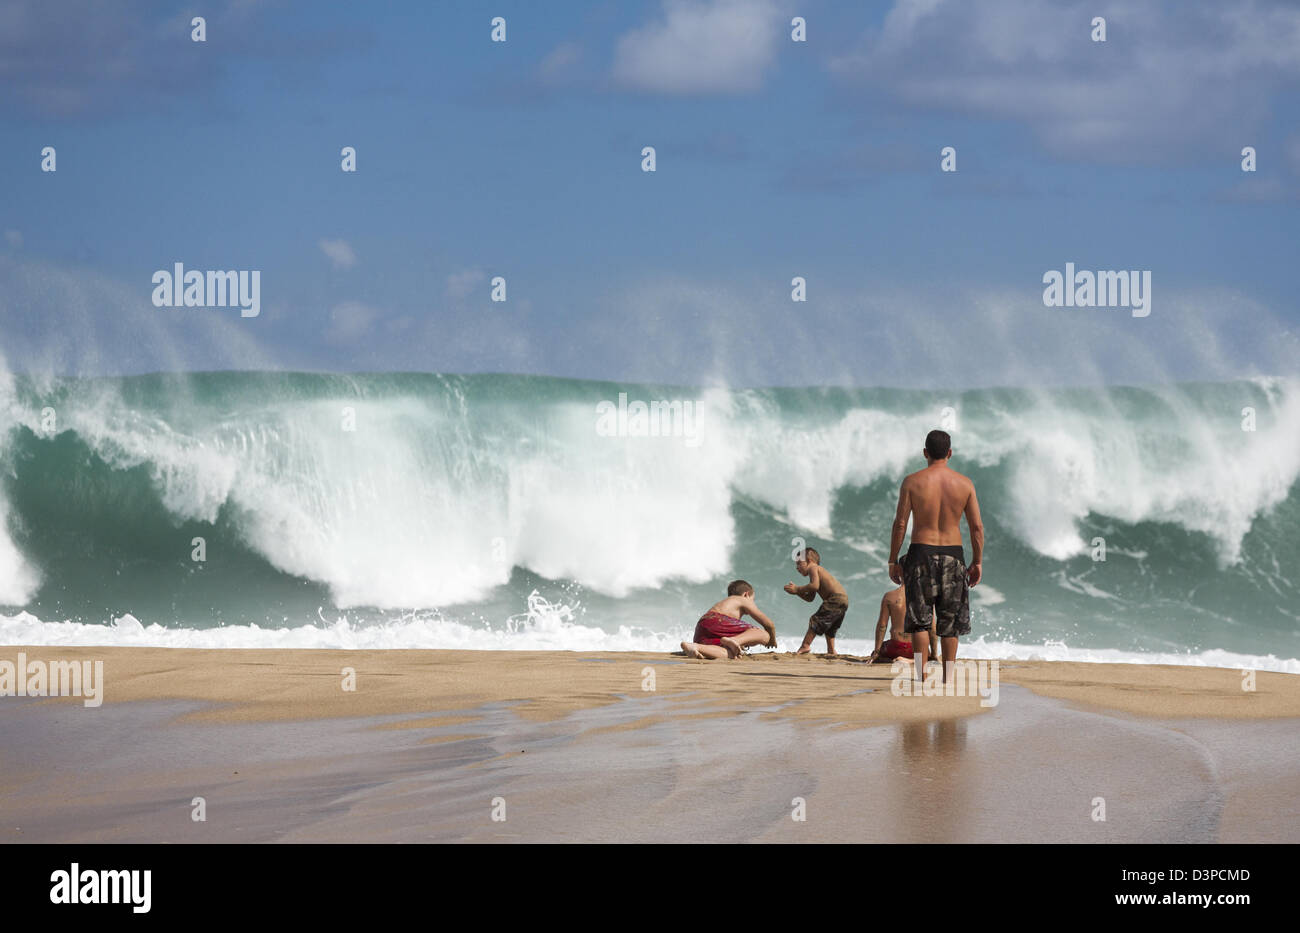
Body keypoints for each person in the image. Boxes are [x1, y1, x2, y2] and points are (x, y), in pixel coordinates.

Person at [888, 429, 984, 684]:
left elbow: (900, 523)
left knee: (920, 620)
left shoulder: (912, 482)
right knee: (949, 622)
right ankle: (947, 677)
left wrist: (893, 559)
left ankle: (920, 675)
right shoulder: (965, 484)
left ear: (925, 453)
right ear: (950, 453)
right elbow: (976, 528)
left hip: (921, 553)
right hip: (954, 556)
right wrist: (977, 561)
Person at [681, 580, 778, 660]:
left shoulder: (727, 604)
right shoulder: (742, 600)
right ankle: (734, 640)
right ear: (746, 595)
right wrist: (772, 640)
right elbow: (769, 624)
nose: (752, 603)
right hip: (717, 619)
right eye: (752, 599)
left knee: (731, 654)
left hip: (702, 626)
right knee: (763, 634)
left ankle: (695, 647)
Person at [784, 547, 849, 656]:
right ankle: (831, 650)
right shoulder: (815, 573)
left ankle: (805, 645)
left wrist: (797, 588)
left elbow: (814, 586)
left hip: (834, 598)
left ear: (809, 561)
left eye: (799, 563)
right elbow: (810, 598)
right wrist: (797, 593)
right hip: (843, 599)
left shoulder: (813, 568)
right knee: (830, 627)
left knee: (816, 620)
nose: (797, 567)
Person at [867, 585, 937, 664]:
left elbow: (882, 626)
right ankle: (913, 660)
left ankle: (894, 660)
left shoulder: (889, 596)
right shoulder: (926, 597)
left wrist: (876, 652)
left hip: (895, 647)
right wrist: (934, 655)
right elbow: (932, 628)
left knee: (880, 651)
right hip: (916, 648)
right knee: (925, 654)